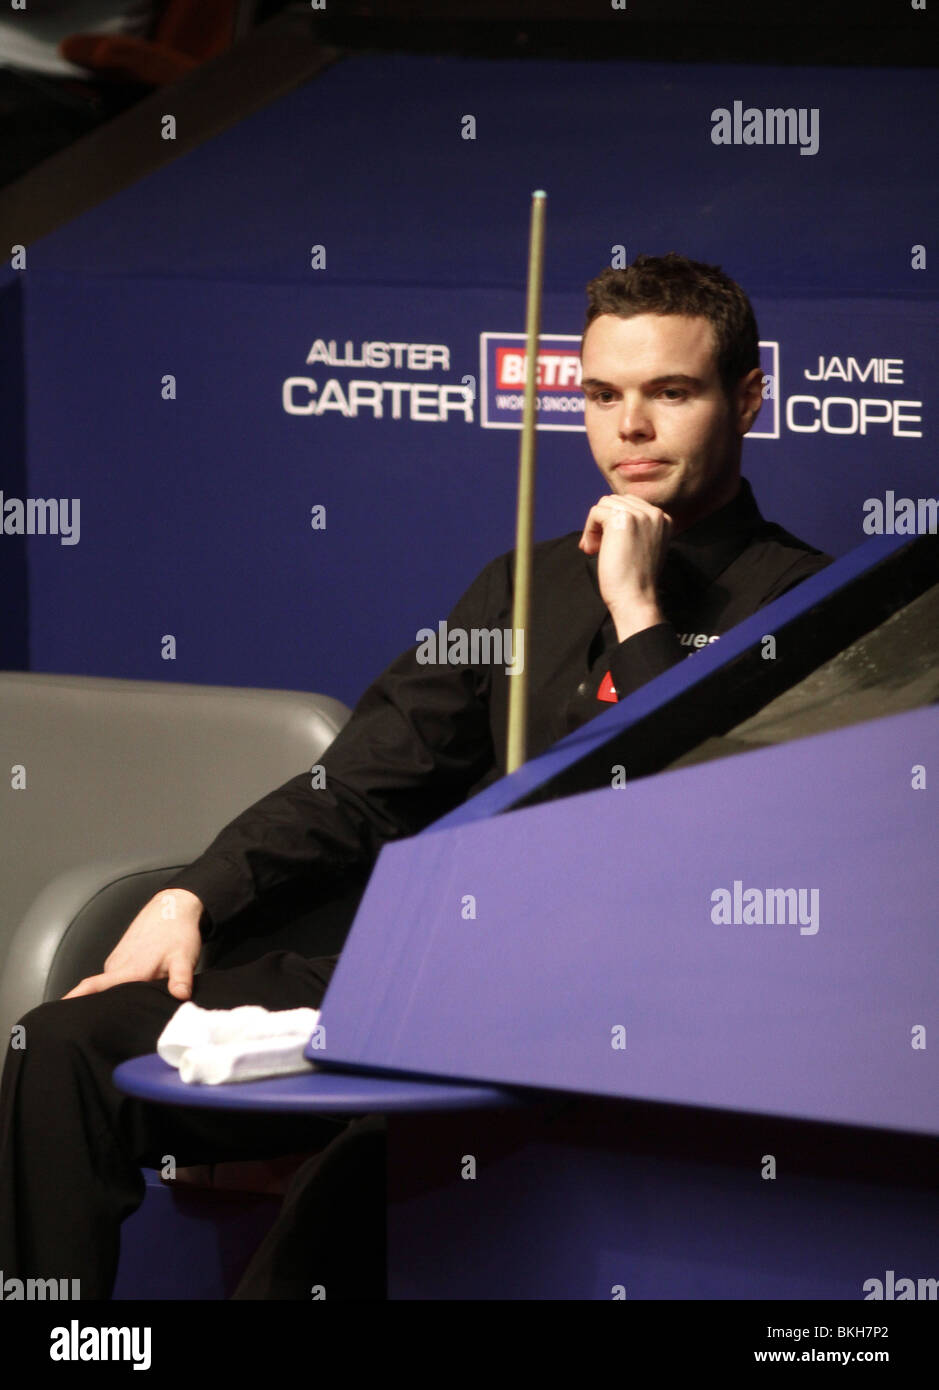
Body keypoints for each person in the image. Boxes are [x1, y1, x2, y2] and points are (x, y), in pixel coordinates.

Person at [0, 253, 833, 1300]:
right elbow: (359, 785)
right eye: (600, 395)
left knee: (336, 1223)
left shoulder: (805, 600)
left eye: (671, 392)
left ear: (747, 398)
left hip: (604, 1016)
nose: (629, 428)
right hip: (424, 978)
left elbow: (703, 829)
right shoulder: (522, 586)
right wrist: (192, 895)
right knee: (61, 1046)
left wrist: (636, 613)